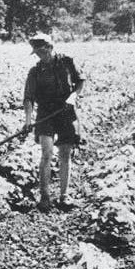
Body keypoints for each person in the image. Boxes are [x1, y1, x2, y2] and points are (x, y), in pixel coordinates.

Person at [23, 33, 86, 212]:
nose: (40, 56)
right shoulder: (35, 72)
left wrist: (73, 97)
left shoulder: (67, 62)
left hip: (66, 111)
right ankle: (45, 196)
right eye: (37, 53)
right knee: (47, 153)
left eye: (43, 52)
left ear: (50, 48)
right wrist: (28, 120)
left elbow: (80, 82)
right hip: (45, 113)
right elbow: (28, 98)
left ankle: (64, 196)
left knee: (65, 153)